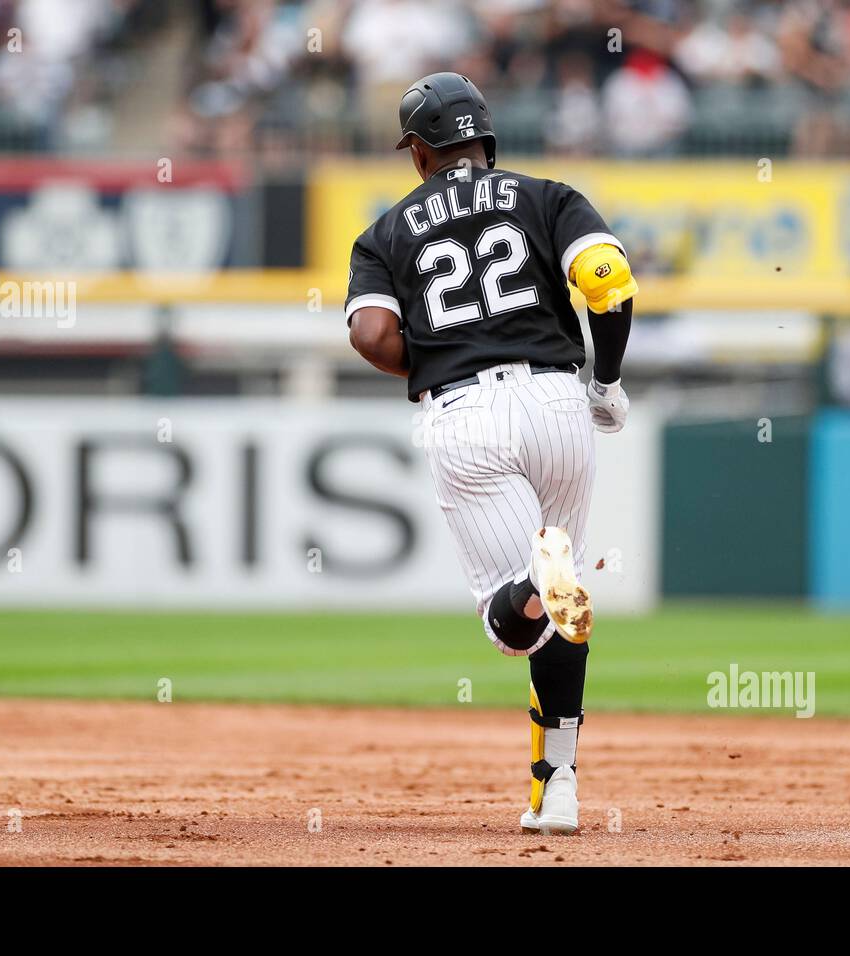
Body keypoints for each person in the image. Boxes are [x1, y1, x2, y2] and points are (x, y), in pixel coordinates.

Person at [343, 72, 637, 835]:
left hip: (467, 414)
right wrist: (604, 382)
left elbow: (372, 335)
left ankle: (535, 579)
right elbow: (608, 281)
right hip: (557, 403)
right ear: (485, 137)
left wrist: (442, 355)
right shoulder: (547, 195)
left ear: (418, 152)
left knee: (514, 626)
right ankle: (557, 786)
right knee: (566, 604)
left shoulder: (385, 232)